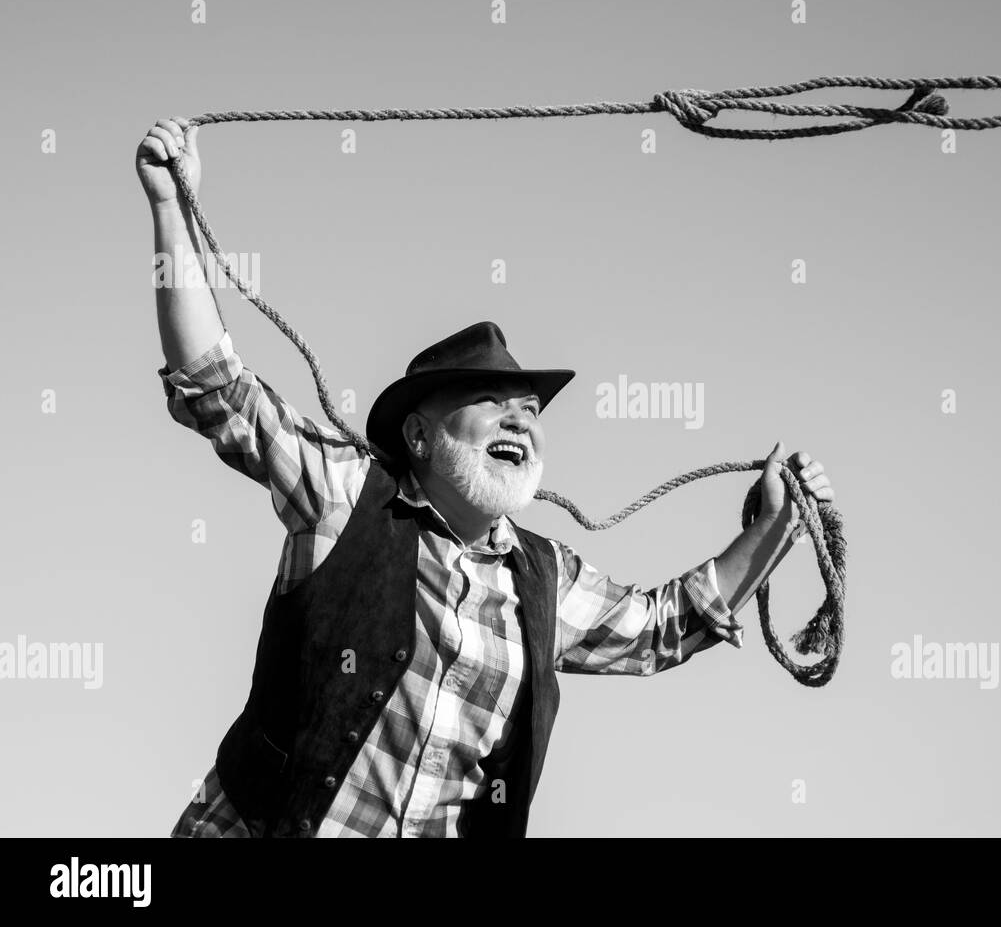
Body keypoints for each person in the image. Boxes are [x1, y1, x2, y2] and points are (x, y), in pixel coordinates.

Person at [137, 116, 836, 837]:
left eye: (530, 410)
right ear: (419, 434)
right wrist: (169, 205)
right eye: (491, 403)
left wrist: (775, 527)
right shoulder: (344, 494)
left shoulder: (546, 579)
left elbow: (663, 627)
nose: (520, 422)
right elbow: (215, 386)